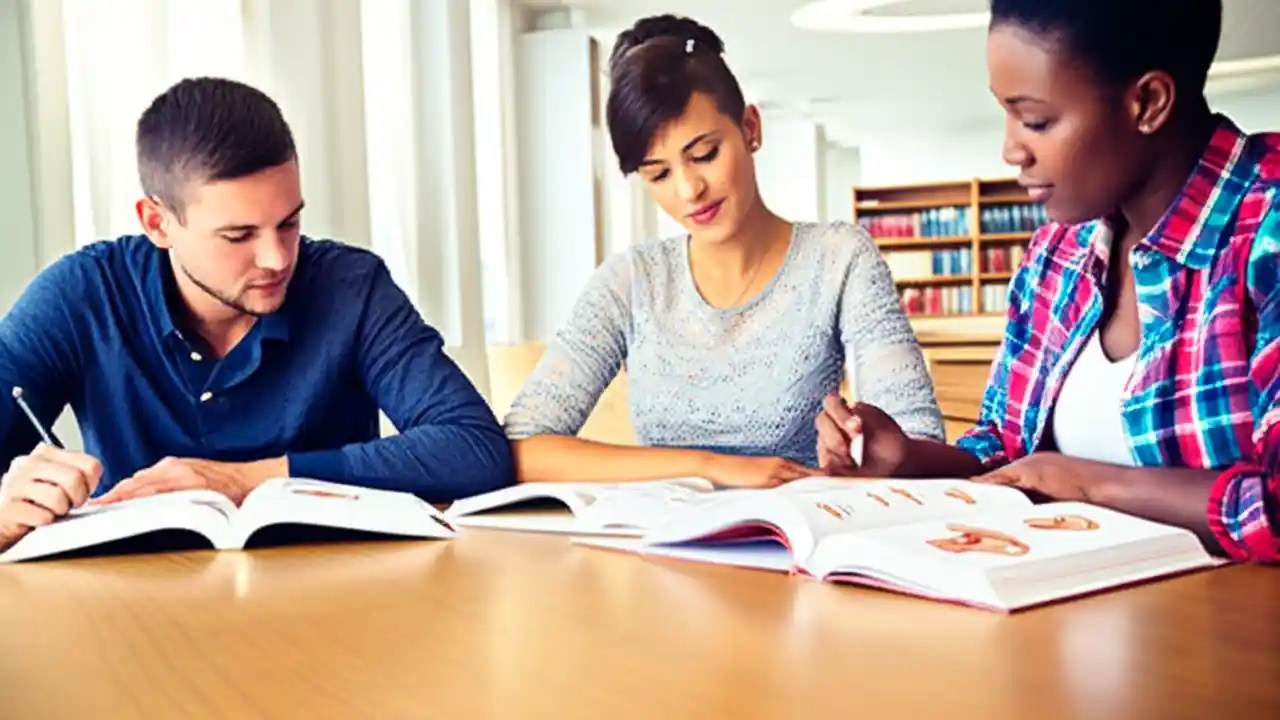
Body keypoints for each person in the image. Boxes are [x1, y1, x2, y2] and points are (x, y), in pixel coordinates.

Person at [815, 0, 1278, 562]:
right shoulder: (1056, 253)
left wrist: (1089, 486)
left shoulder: (1265, 228)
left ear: (1149, 102)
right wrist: (909, 460)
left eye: (1036, 120)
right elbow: (1009, 454)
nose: (1011, 148)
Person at [0, 77, 513, 552]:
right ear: (157, 222)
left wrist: (248, 478)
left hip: (335, 600)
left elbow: (474, 448)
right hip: (137, 610)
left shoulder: (350, 287)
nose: (277, 258)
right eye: (239, 236)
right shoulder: (82, 294)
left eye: (289, 223)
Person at [504, 15, 943, 488]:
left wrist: (862, 454)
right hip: (665, 545)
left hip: (797, 542)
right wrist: (707, 465)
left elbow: (919, 439)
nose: (689, 189)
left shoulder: (840, 258)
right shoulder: (631, 281)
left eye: (705, 154)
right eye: (658, 174)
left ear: (750, 128)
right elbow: (522, 448)